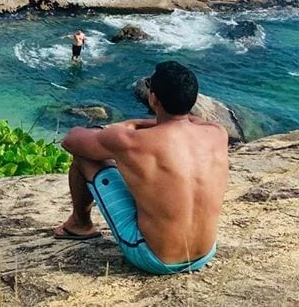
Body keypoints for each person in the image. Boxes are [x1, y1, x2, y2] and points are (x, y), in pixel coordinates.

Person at [54, 61, 228, 275]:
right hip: (205, 253)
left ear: (153, 99)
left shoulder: (132, 141)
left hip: (154, 258)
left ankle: (80, 225)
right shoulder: (218, 133)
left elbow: (71, 140)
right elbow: (185, 122)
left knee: (86, 156)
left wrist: (124, 126)